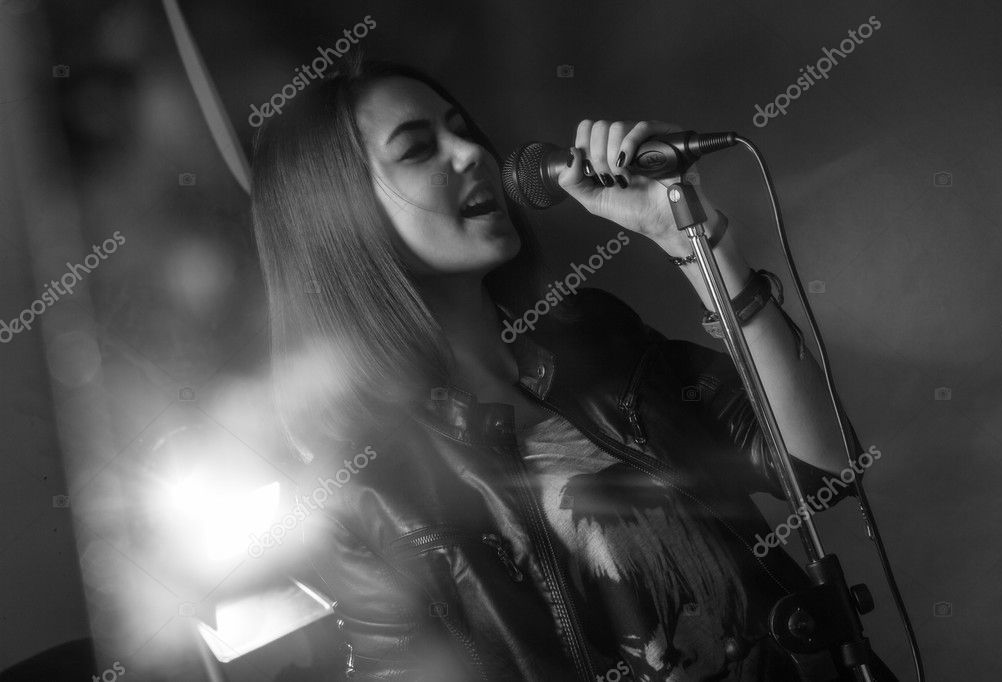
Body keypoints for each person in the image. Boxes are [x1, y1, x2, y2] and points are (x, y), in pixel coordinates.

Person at [250, 50, 894, 682]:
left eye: (463, 130)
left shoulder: (594, 336)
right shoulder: (368, 491)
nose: (473, 153)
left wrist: (690, 237)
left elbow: (823, 470)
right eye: (418, 149)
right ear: (338, 216)